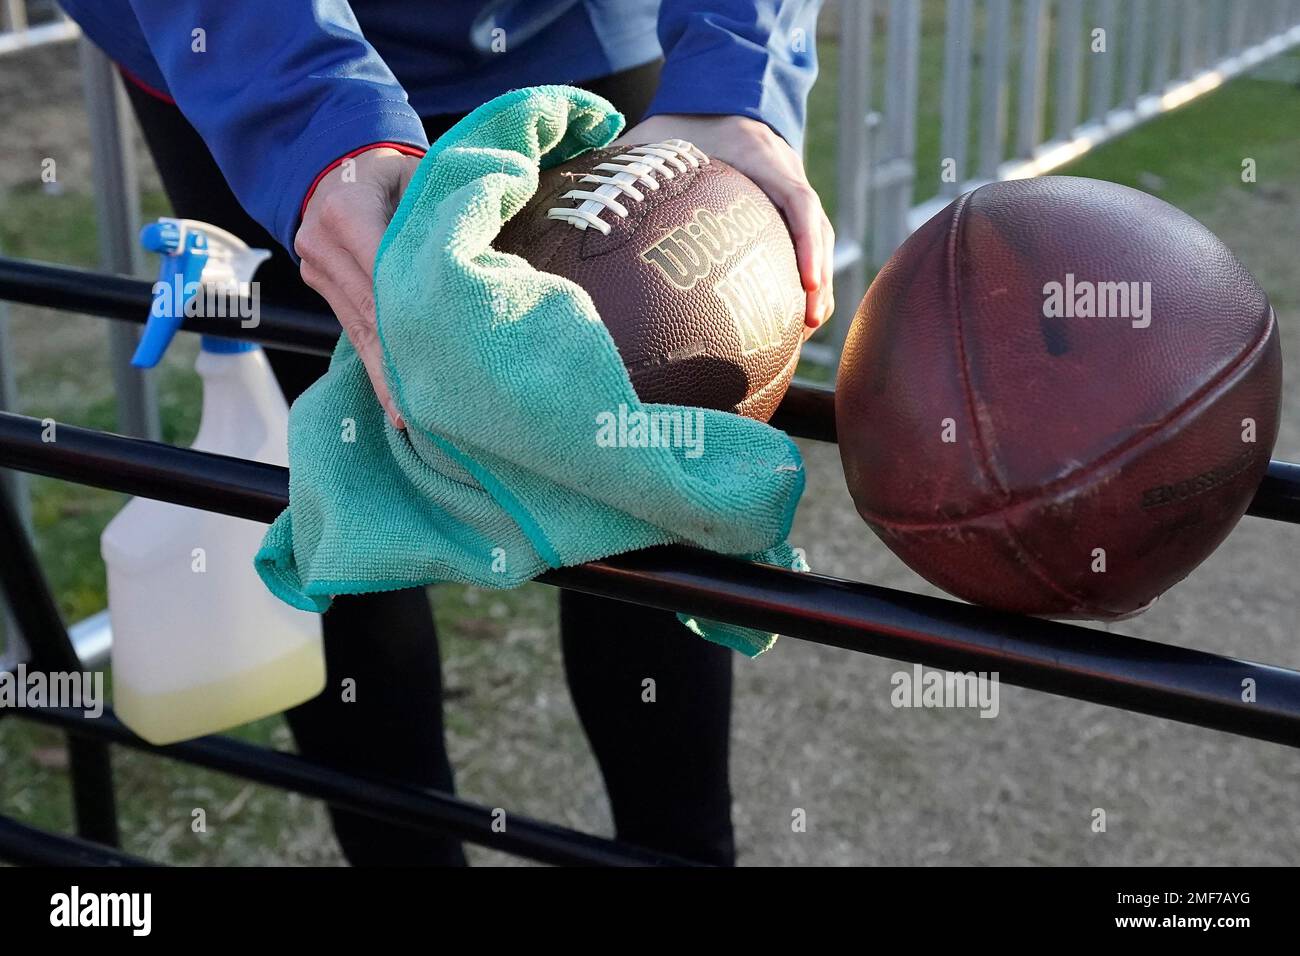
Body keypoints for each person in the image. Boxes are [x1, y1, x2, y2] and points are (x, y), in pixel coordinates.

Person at [59, 0, 832, 866]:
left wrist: (735, 73)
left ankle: (681, 851)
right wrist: (308, 114)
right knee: (347, 505)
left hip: (575, 30)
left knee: (638, 487)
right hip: (243, 30)